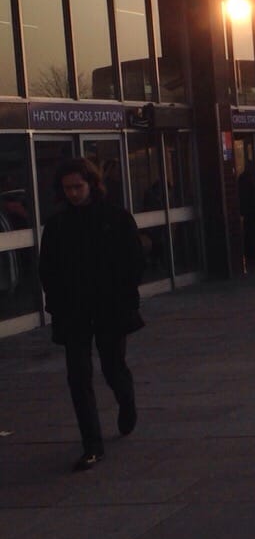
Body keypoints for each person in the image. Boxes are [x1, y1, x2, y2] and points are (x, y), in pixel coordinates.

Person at [39, 158, 145, 472]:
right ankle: (92, 445)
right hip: (74, 311)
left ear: (91, 185)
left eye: (78, 187)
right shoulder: (58, 225)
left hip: (110, 307)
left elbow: (133, 260)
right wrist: (57, 303)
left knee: (113, 366)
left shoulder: (115, 217)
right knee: (78, 376)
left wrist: (125, 296)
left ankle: (126, 400)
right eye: (67, 188)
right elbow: (48, 268)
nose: (72, 193)